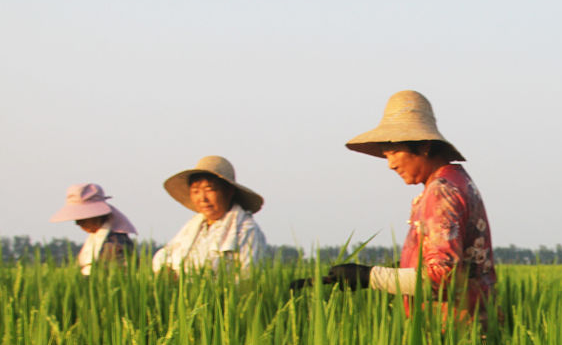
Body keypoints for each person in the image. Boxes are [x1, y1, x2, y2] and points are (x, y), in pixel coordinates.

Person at [311, 90, 497, 327]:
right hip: (467, 325)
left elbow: (444, 275)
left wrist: (370, 276)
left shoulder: (442, 190)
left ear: (425, 146)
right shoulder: (457, 181)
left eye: (395, 151)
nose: (390, 164)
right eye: (386, 155)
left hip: (452, 334)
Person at [153, 156, 266, 275]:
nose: (202, 198)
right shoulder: (192, 228)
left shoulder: (246, 230)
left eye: (210, 190)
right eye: (196, 191)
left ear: (229, 192)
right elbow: (164, 256)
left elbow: (247, 276)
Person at [49, 183, 137, 275]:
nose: (78, 223)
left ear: (98, 215)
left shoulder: (115, 244)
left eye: (82, 218)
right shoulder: (96, 239)